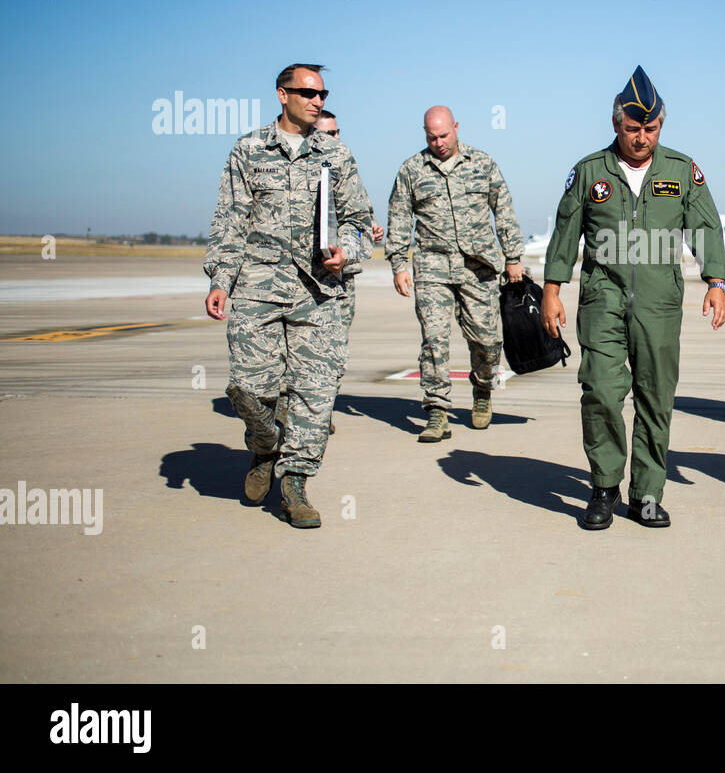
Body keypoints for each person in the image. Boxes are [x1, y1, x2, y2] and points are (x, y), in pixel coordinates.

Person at [541, 66, 725, 530]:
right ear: (615, 124)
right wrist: (551, 290)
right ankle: (604, 487)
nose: (641, 138)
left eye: (651, 128)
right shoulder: (589, 172)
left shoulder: (682, 170)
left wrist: (716, 282)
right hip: (602, 297)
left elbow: (705, 227)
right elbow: (566, 234)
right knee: (602, 390)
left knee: (655, 397)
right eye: (632, 128)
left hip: (659, 303)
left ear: (661, 125)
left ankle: (646, 494)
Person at [204, 64, 373, 528]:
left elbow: (361, 221)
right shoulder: (248, 150)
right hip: (257, 288)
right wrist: (221, 279)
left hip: (319, 293)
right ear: (282, 95)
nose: (317, 101)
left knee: (315, 394)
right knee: (247, 387)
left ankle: (294, 484)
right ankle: (263, 444)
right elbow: (230, 220)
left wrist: (349, 250)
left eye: (322, 94)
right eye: (308, 93)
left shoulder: (335, 155)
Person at [386, 105, 525, 441]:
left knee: (487, 341)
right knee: (434, 340)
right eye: (432, 137)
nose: (439, 142)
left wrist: (513, 256)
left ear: (456, 128)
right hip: (432, 266)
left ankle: (482, 391)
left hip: (479, 266)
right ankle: (437, 411)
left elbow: (503, 209)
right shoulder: (412, 170)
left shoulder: (483, 163)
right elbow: (400, 216)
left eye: (444, 135)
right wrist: (398, 264)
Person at [313, 110, 383, 432]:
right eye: (328, 134)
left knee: (335, 351)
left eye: (338, 132)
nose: (336, 139)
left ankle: (320, 411)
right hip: (302, 280)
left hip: (341, 279)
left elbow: (361, 219)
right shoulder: (296, 171)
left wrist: (369, 231)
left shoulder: (345, 168)